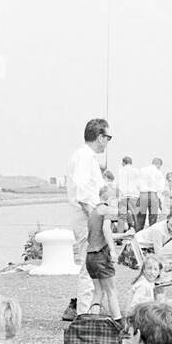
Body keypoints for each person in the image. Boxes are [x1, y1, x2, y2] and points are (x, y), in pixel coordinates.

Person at [64, 118, 112, 321]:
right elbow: (83, 195)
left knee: (93, 265)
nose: (108, 142)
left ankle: (90, 310)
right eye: (108, 137)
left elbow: (95, 189)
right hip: (86, 218)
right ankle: (85, 314)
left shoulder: (87, 157)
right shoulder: (84, 156)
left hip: (89, 216)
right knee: (88, 265)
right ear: (100, 137)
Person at [86, 183, 123, 324]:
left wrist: (123, 234)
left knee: (98, 292)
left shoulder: (94, 211)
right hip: (101, 255)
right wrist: (113, 251)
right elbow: (106, 230)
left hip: (90, 257)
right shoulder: (107, 210)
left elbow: (98, 234)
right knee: (112, 291)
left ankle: (92, 322)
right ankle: (119, 324)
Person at [137, 157, 165, 231]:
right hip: (153, 194)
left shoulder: (143, 170)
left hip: (143, 194)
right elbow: (161, 187)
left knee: (141, 216)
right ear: (159, 165)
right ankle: (152, 234)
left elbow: (137, 184)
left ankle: (138, 234)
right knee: (153, 217)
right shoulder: (158, 172)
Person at [116, 155, 140, 233]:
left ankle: (120, 235)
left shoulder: (120, 171)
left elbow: (117, 184)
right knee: (135, 215)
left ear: (124, 162)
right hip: (134, 196)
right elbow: (139, 184)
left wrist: (117, 197)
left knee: (121, 217)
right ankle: (137, 234)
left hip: (123, 196)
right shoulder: (136, 171)